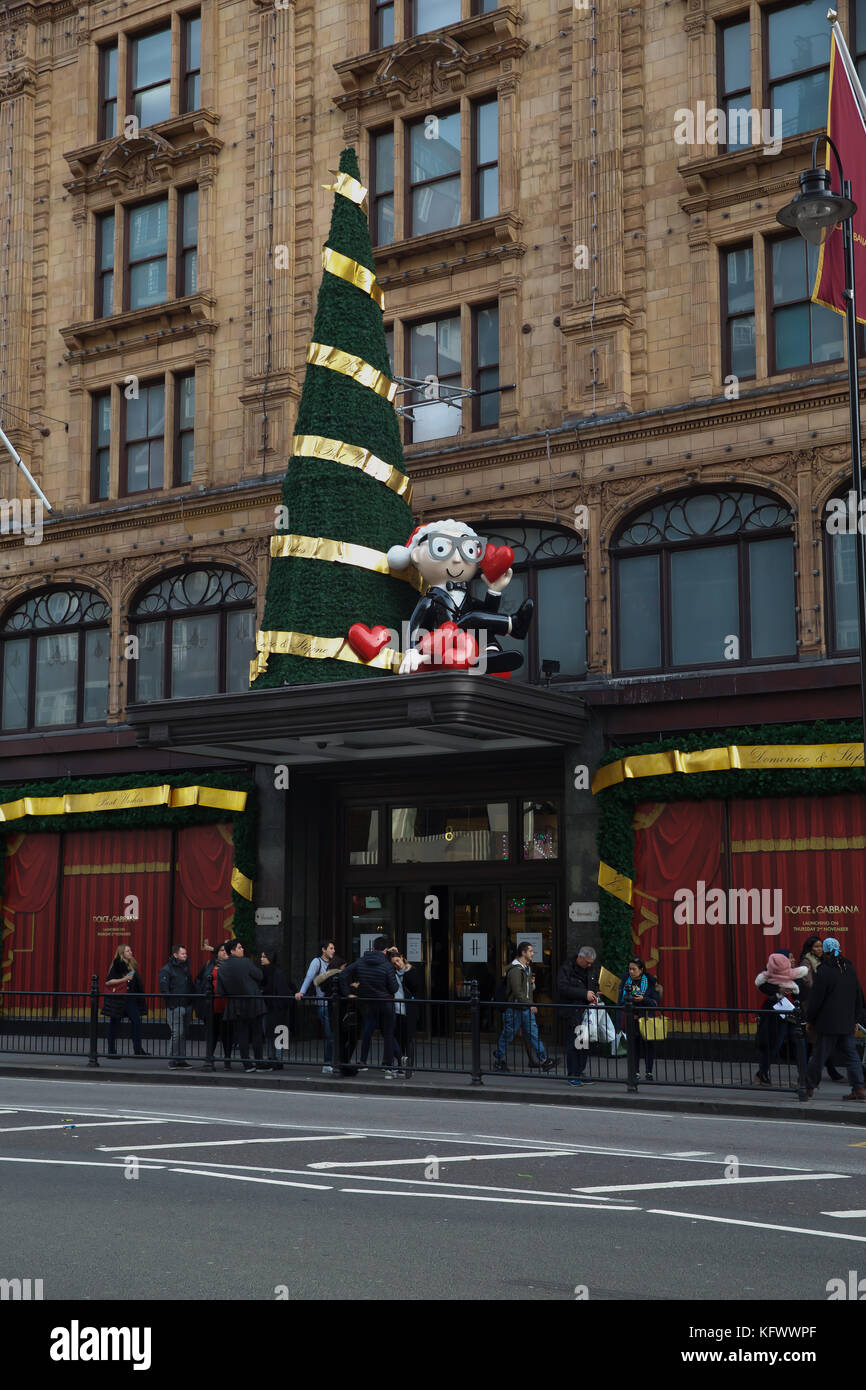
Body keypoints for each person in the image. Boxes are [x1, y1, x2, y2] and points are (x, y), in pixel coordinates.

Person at [806, 938, 866, 1101]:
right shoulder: (849, 969)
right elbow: (858, 996)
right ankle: (859, 1088)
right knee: (852, 1056)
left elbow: (816, 1000)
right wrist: (855, 1019)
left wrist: (810, 1019)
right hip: (847, 1022)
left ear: (825, 952)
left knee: (819, 1056)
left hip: (827, 1023)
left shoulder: (824, 970)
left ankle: (808, 1087)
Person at [339, 936, 401, 1078]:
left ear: (373, 948)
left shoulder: (361, 961)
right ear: (385, 950)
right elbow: (394, 988)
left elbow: (343, 975)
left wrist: (348, 993)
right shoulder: (387, 965)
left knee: (368, 1030)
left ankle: (363, 1061)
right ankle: (389, 1067)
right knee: (388, 1034)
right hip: (385, 1002)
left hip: (369, 1002)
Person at [493, 942, 556, 1074]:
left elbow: (527, 991)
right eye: (530, 951)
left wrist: (531, 985)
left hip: (524, 1008)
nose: (533, 953)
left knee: (533, 1034)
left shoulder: (527, 968)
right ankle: (499, 1059)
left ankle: (544, 1060)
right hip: (514, 1009)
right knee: (508, 1035)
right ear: (523, 952)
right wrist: (530, 1004)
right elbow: (517, 992)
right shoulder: (515, 970)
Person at [754, 950, 808, 1086]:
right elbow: (763, 987)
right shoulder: (770, 975)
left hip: (793, 1015)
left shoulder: (794, 975)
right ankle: (762, 1073)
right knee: (774, 1045)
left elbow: (801, 994)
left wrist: (793, 991)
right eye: (790, 958)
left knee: (799, 1045)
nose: (793, 960)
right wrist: (779, 990)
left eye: (793, 957)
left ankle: (804, 1077)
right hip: (776, 1016)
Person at [217, 939, 272, 1074]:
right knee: (257, 1033)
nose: (242, 949)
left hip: (236, 1004)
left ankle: (247, 1064)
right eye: (239, 947)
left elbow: (221, 991)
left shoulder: (222, 968)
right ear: (232, 951)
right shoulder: (246, 962)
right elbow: (259, 976)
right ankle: (259, 1063)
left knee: (242, 1034)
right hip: (253, 1002)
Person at [799, 934, 844, 1081]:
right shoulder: (806, 962)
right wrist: (824, 984)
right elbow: (808, 983)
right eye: (816, 946)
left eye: (820, 946)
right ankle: (817, 1073)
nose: (819, 949)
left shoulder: (823, 961)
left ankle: (807, 1073)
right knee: (817, 1039)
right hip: (811, 1004)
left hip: (822, 1003)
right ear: (810, 948)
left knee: (818, 1040)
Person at [556, 945, 600, 1087]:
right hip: (571, 1011)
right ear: (580, 957)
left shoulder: (589, 969)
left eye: (591, 963)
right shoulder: (567, 968)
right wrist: (584, 994)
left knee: (583, 1044)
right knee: (573, 1044)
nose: (589, 965)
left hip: (585, 1012)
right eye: (587, 962)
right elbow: (563, 988)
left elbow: (594, 984)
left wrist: (596, 992)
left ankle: (580, 1072)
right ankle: (573, 1074)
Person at [296, 940, 337, 1075]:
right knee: (330, 1035)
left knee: (333, 1035)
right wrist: (301, 992)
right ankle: (328, 1063)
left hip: (332, 1004)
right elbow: (309, 977)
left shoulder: (333, 962)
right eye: (331, 948)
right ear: (323, 949)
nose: (333, 950)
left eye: (333, 948)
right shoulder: (317, 962)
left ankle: (331, 1062)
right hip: (323, 1004)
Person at [619, 957, 661, 1082]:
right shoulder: (626, 981)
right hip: (631, 1018)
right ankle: (635, 1072)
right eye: (629, 969)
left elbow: (655, 1002)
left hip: (646, 1019)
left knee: (649, 1046)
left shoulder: (649, 981)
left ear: (641, 970)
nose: (631, 971)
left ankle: (649, 1072)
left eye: (634, 969)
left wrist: (643, 999)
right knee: (634, 1047)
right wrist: (629, 1000)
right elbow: (620, 1001)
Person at [102, 944, 149, 1057]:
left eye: (130, 950)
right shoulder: (117, 965)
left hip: (130, 999)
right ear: (122, 953)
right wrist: (125, 979)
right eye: (128, 951)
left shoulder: (131, 965)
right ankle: (111, 1052)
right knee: (114, 1025)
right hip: (119, 999)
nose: (131, 952)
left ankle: (138, 1050)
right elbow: (108, 982)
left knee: (136, 1022)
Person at [158, 944, 196, 1069]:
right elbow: (164, 988)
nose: (185, 955)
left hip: (186, 1004)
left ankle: (181, 1059)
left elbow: (190, 985)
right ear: (175, 955)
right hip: (175, 1006)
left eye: (185, 953)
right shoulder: (167, 969)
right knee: (177, 1033)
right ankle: (172, 1059)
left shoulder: (185, 968)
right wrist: (171, 1003)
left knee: (183, 1033)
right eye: (182, 953)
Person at [196, 943, 231, 1071]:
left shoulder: (231, 965)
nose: (224, 952)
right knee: (212, 1034)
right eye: (221, 950)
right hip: (211, 1006)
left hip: (226, 1006)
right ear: (217, 953)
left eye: (226, 950)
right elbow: (199, 979)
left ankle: (228, 1060)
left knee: (227, 1034)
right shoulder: (208, 964)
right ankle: (209, 1059)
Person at [260, 948, 292, 1070]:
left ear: (270, 957)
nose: (261, 959)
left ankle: (277, 1059)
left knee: (277, 1033)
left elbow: (281, 989)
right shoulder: (265, 971)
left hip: (275, 1007)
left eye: (264, 956)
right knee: (270, 1033)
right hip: (269, 1007)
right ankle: (272, 1058)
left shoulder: (277, 972)